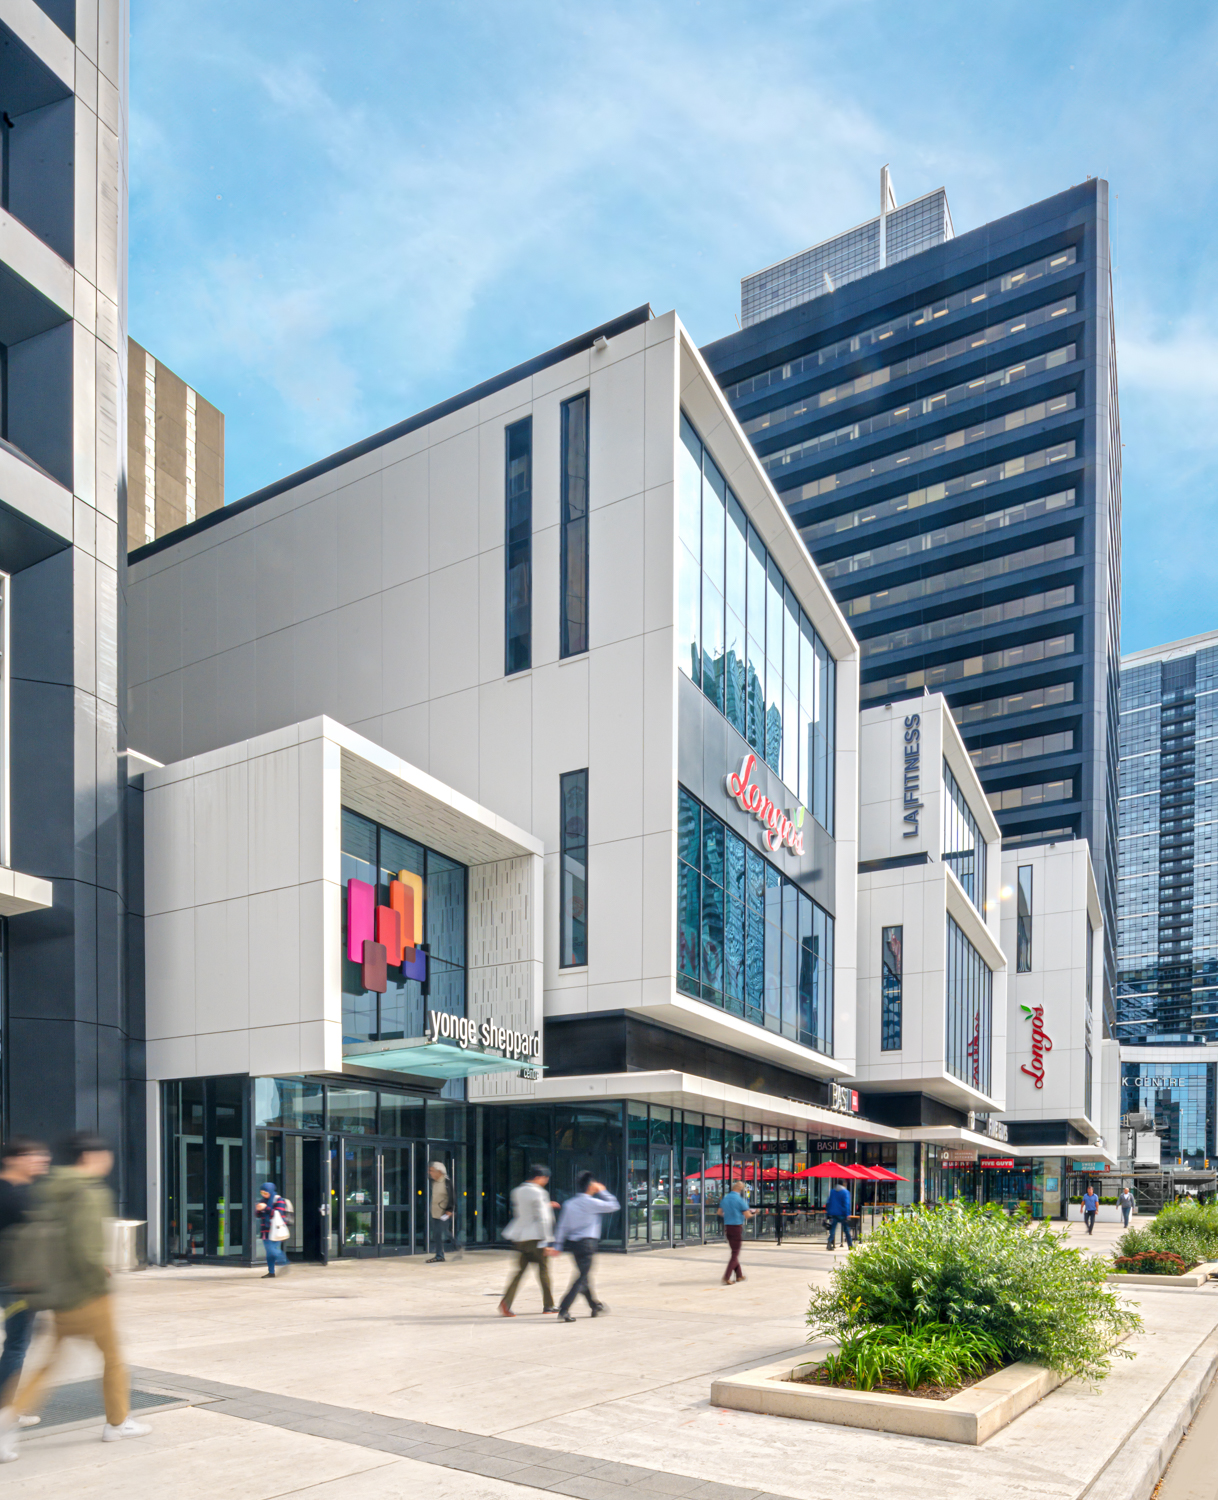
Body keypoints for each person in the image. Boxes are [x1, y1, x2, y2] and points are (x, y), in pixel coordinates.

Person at [0, 1132, 151, 1462]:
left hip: (59, 1294)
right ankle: (117, 1422)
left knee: (49, 1361)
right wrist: (101, 1278)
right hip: (88, 1295)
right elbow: (86, 1251)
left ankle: (7, 1419)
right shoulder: (88, 1192)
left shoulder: (48, 1189)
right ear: (91, 1157)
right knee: (112, 1358)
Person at [0, 1138, 50, 1420]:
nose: (41, 1161)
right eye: (34, 1155)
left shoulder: (22, 1191)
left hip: (14, 1280)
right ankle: (4, 1412)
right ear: (13, 1159)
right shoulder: (14, 1194)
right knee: (17, 1346)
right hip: (15, 1282)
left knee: (17, 1344)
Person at [553, 1172, 620, 1322]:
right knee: (581, 1278)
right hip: (587, 1245)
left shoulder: (570, 1203)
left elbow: (562, 1226)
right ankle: (564, 1309)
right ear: (590, 1186)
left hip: (574, 1245)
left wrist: (557, 1245)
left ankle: (595, 1306)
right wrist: (603, 1190)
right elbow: (614, 1205)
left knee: (584, 1277)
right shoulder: (591, 1203)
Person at [499, 1165, 558, 1316]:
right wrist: (547, 1241)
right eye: (545, 1178)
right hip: (536, 1238)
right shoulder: (539, 1192)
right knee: (543, 1271)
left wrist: (546, 1205)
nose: (546, 1181)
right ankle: (549, 1305)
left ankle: (506, 1303)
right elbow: (543, 1218)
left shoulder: (517, 1191)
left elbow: (527, 1210)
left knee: (519, 1271)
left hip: (521, 1237)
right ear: (539, 1177)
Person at [718, 1178, 756, 1285]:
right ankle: (726, 1277)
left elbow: (720, 1212)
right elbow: (747, 1215)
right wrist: (755, 1213)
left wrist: (729, 1215)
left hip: (728, 1227)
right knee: (735, 1253)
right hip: (736, 1227)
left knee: (734, 1250)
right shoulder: (739, 1200)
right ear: (740, 1189)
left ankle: (739, 1275)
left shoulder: (725, 1198)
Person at [255, 1182, 291, 1277]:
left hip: (275, 1230)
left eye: (265, 1193)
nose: (264, 1195)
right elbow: (258, 1215)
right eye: (262, 1193)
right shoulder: (263, 1200)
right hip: (265, 1231)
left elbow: (278, 1214)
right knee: (269, 1253)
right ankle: (271, 1272)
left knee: (272, 1250)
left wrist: (265, 1208)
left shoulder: (279, 1200)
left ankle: (284, 1261)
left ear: (270, 1191)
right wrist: (258, 1209)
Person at [426, 1162, 457, 1263]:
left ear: (439, 1171)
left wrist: (450, 1210)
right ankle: (443, 1253)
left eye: (431, 1171)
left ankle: (442, 1254)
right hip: (434, 1212)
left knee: (440, 1232)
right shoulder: (433, 1182)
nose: (429, 1173)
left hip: (444, 1213)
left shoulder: (446, 1182)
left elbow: (452, 1197)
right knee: (439, 1232)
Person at [825, 1181, 853, 1251]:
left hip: (833, 1213)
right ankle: (850, 1245)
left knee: (833, 1229)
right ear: (844, 1184)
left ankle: (829, 1243)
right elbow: (846, 1204)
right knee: (846, 1230)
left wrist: (828, 1213)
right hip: (842, 1214)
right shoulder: (845, 1192)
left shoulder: (832, 1191)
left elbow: (828, 1202)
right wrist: (847, 1214)